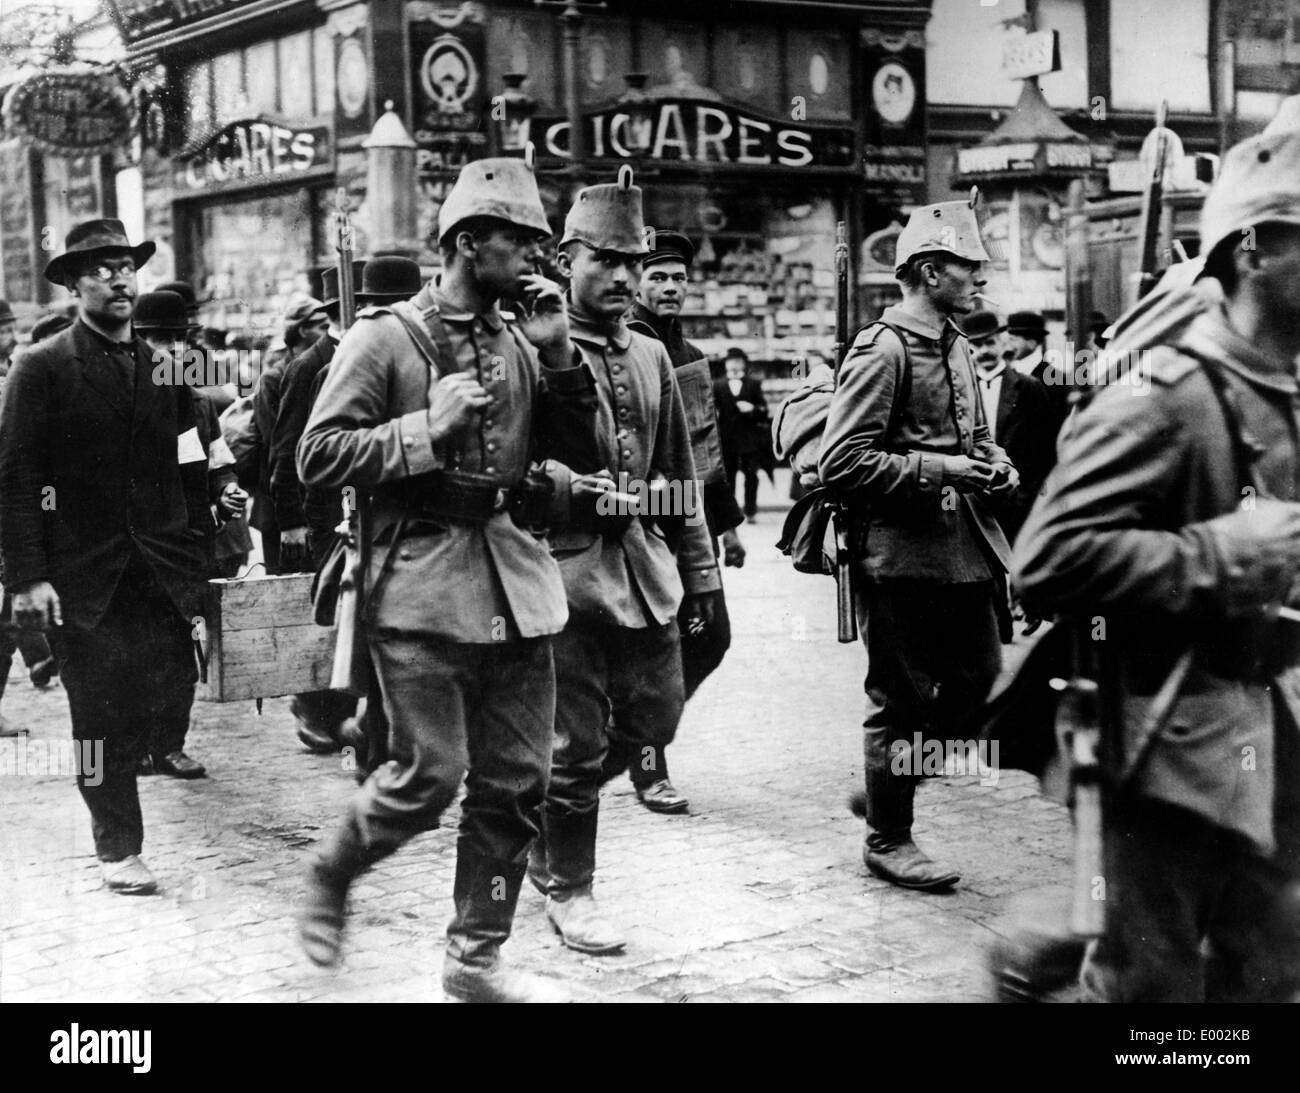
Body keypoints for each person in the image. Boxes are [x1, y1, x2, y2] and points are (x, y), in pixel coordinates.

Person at [295, 157, 604, 1004]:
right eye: (520, 242)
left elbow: (580, 457)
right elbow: (316, 456)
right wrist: (422, 431)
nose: (536, 260)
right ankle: (333, 868)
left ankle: (475, 956)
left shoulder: (519, 338)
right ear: (470, 244)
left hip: (515, 579)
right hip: (420, 581)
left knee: (517, 783)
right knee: (428, 775)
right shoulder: (384, 338)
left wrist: (561, 353)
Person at [1012, 114, 1300, 1002]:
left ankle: (1054, 945)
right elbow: (1049, 558)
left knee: (1271, 970)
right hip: (1164, 739)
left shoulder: (1284, 386)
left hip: (1271, 722)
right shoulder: (1161, 393)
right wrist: (1216, 553)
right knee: (1153, 992)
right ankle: (1058, 952)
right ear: (1254, 250)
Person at [527, 172, 721, 955]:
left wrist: (699, 571)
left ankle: (547, 814)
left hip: (642, 570)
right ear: (566, 258)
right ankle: (571, 889)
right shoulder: (531, 348)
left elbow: (680, 476)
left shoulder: (648, 353)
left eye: (633, 264)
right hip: (556, 573)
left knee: (655, 717)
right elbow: (511, 470)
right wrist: (576, 498)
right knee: (576, 743)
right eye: (604, 260)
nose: (623, 278)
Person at [0, 219, 211, 895]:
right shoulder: (43, 367)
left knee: (157, 695)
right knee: (98, 712)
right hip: (82, 575)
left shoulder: (165, 364)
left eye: (126, 265)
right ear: (73, 284)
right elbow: (17, 477)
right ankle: (118, 845)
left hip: (158, 571)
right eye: (101, 269)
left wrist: (206, 542)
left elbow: (192, 459)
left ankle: (126, 805)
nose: (119, 278)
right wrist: (27, 577)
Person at [818, 196, 1018, 892]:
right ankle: (888, 836)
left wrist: (995, 464)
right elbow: (840, 462)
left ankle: (889, 786)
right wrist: (943, 469)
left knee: (978, 682)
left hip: (961, 551)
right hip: (897, 555)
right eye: (969, 267)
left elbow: (976, 435)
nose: (979, 279)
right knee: (899, 697)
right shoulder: (886, 348)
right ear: (932, 272)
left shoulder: (957, 345)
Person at [602, 227, 745, 813]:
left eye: (678, 278)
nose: (670, 288)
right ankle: (644, 763)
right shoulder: (625, 346)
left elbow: (704, 453)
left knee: (708, 637)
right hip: (634, 528)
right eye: (657, 276)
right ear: (636, 282)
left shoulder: (685, 354)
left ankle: (631, 738)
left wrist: (727, 524)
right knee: (654, 649)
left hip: (687, 525)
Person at [271, 257, 421, 758]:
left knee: (373, 625)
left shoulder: (408, 351)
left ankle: (367, 726)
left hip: (386, 516)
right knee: (339, 618)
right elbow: (292, 449)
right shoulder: (312, 366)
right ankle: (318, 713)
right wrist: (296, 520)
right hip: (331, 518)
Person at [132, 291, 249, 778]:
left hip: (185, 547)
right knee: (129, 650)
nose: (174, 351)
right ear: (136, 344)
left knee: (180, 649)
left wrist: (226, 492)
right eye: (161, 340)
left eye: (180, 340)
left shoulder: (199, 404)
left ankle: (169, 745)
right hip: (132, 550)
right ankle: (133, 746)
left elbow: (218, 464)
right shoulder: (121, 405)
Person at [963, 309, 1056, 544]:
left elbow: (1046, 448)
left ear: (1003, 340)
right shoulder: (961, 388)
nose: (984, 351)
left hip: (1019, 501)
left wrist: (1028, 496)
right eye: (975, 344)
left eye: (989, 342)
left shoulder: (1029, 387)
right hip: (974, 501)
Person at [713, 347, 772, 520]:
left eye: (738, 362)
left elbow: (764, 410)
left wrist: (752, 408)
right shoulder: (718, 385)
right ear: (725, 365)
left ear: (744, 365)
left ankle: (751, 511)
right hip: (727, 439)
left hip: (749, 439)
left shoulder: (753, 384)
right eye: (731, 361)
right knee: (728, 477)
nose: (735, 365)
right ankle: (731, 513)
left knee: (751, 476)